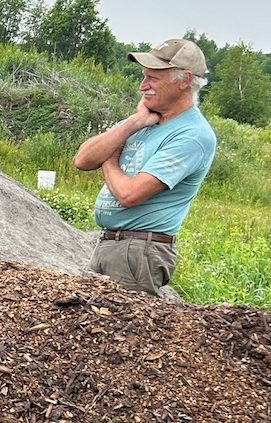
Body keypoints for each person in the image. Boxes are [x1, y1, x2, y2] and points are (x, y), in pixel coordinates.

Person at [74, 37, 216, 295]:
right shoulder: (145, 121)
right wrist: (133, 122)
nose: (142, 86)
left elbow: (130, 195)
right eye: (143, 76)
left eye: (153, 78)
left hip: (138, 251)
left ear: (184, 80)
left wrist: (109, 159)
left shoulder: (191, 135)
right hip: (113, 244)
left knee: (119, 331)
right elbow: (83, 159)